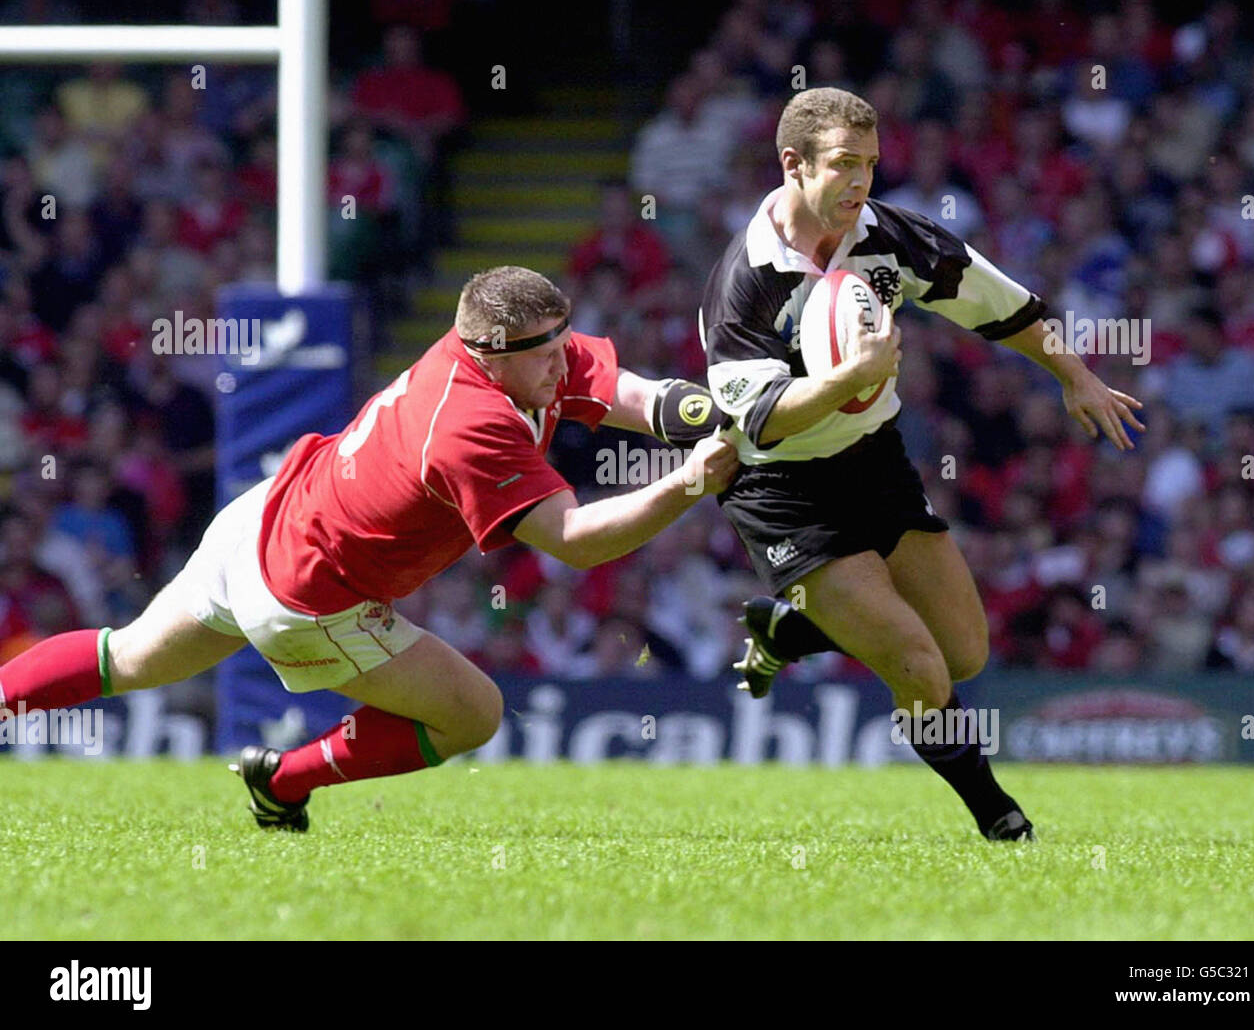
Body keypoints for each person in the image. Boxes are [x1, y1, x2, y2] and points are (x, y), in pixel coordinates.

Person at [0, 266, 735, 831]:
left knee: (127, 658)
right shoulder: (469, 426)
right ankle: (283, 779)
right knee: (474, 714)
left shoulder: (509, 351)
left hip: (265, 519)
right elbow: (574, 542)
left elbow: (629, 395)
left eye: (562, 336)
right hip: (309, 596)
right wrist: (687, 484)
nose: (561, 360)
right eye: (543, 350)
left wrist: (708, 409)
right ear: (488, 353)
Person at [701, 88, 1145, 841]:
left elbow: (1002, 306)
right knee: (916, 662)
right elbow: (763, 421)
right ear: (792, 164)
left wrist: (1077, 375)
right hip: (780, 487)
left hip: (876, 461)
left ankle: (789, 630)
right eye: (843, 164)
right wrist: (848, 377)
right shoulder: (746, 282)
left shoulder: (889, 235)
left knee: (963, 652)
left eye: (870, 165)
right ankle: (1001, 819)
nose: (860, 183)